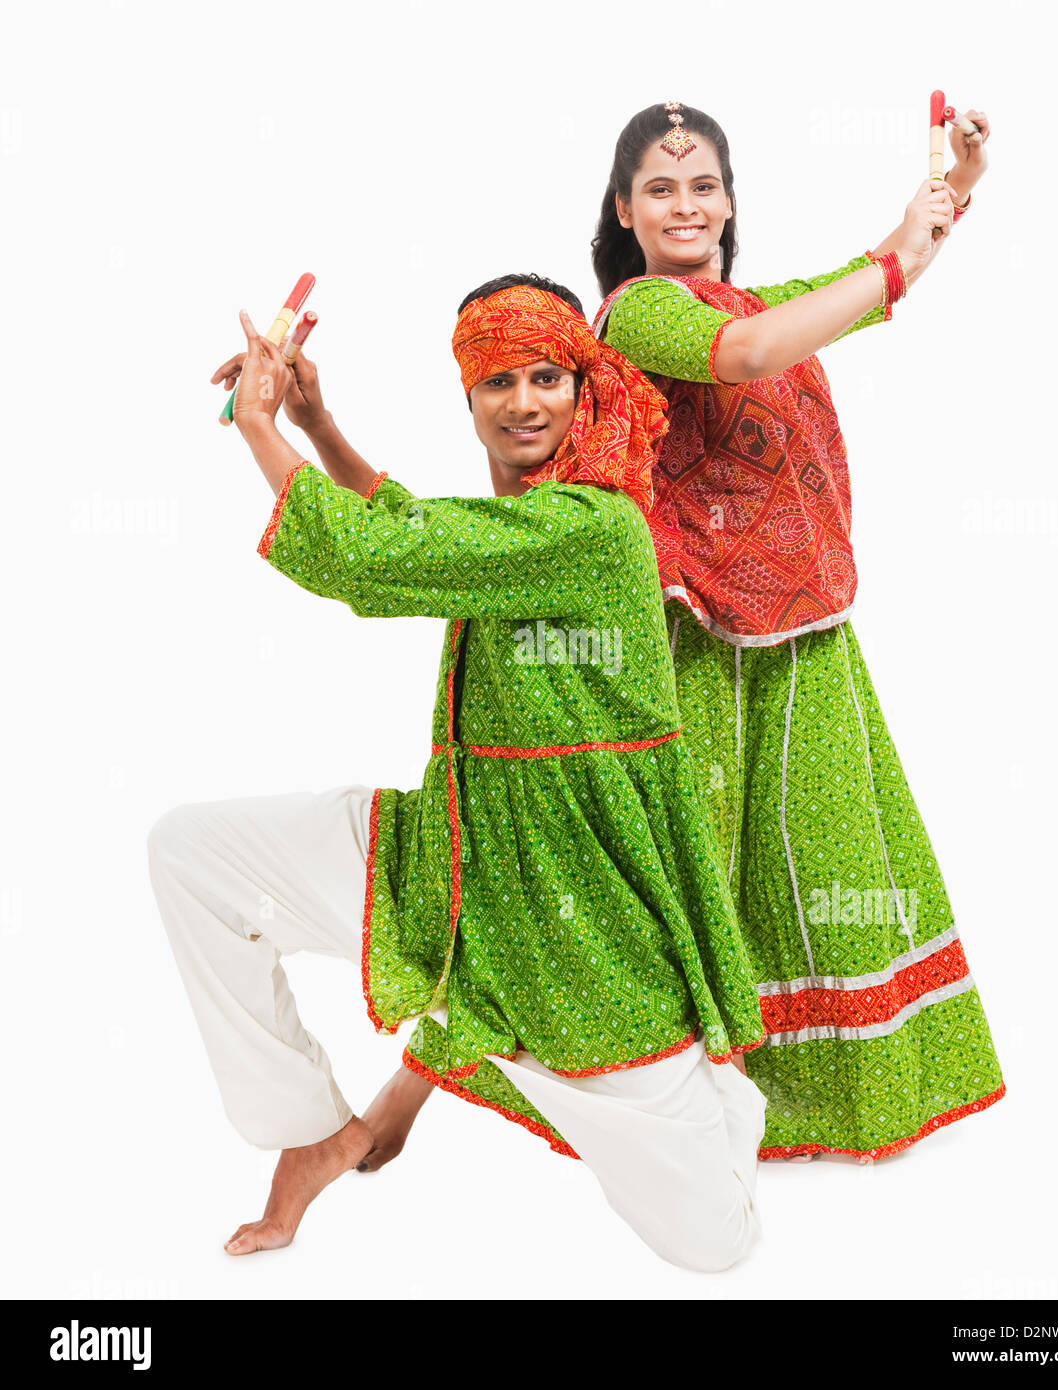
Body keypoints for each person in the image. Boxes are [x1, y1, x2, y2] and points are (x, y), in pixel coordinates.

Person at [148, 274, 768, 1270]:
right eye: (496, 382)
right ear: (469, 400)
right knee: (190, 853)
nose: (522, 401)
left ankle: (700, 1093)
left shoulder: (592, 528)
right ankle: (314, 1128)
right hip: (451, 865)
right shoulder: (516, 531)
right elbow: (410, 531)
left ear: (584, 390)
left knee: (715, 1245)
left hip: (585, 940)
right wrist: (316, 418)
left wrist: (260, 428)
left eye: (544, 378)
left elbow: (377, 560)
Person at [588, 102, 1005, 1162]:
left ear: (730, 201)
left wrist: (943, 199)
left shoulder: (737, 298)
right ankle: (687, 1107)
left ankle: (823, 1101)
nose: (688, 204)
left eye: (705, 185)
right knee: (720, 865)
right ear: (625, 213)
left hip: (807, 628)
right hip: (706, 647)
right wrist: (896, 266)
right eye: (661, 188)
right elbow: (747, 353)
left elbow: (824, 304)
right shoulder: (641, 313)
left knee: (820, 850)